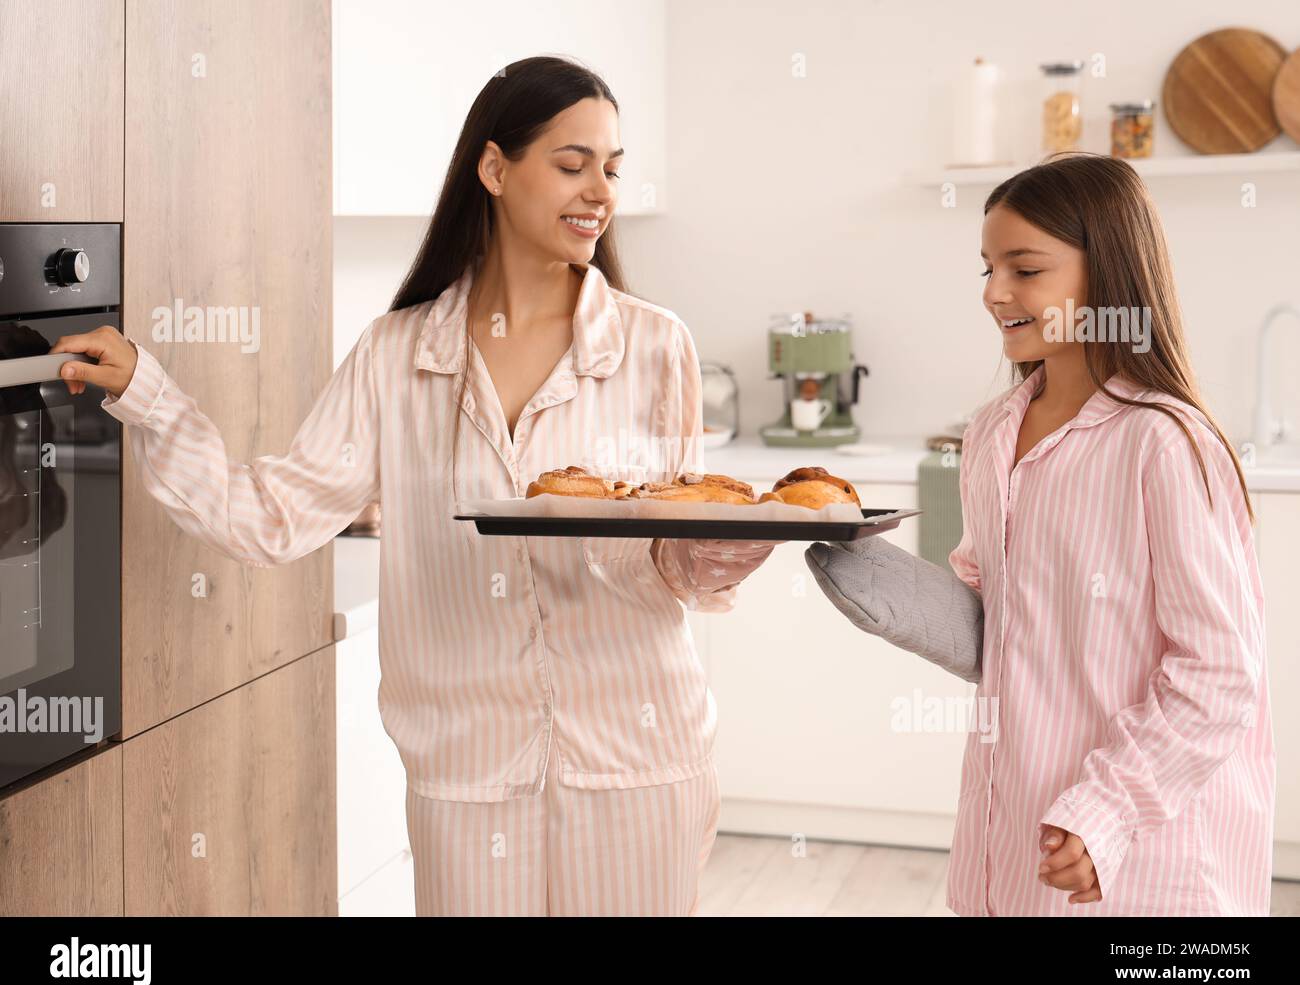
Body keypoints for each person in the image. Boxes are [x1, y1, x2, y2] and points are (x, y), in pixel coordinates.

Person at [50, 56, 776, 916]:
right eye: (573, 164)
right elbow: (270, 520)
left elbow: (672, 561)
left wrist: (724, 552)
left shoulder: (656, 346)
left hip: (640, 764)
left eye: (612, 169)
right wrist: (151, 394)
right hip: (468, 779)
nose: (600, 192)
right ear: (496, 168)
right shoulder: (396, 357)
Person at [808, 153, 1273, 916]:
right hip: (1015, 828)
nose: (995, 293)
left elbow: (1219, 674)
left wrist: (1108, 810)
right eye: (988, 268)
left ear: (1108, 277)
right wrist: (907, 596)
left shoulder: (1164, 444)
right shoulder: (993, 432)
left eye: (1025, 269)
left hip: (1143, 858)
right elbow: (997, 605)